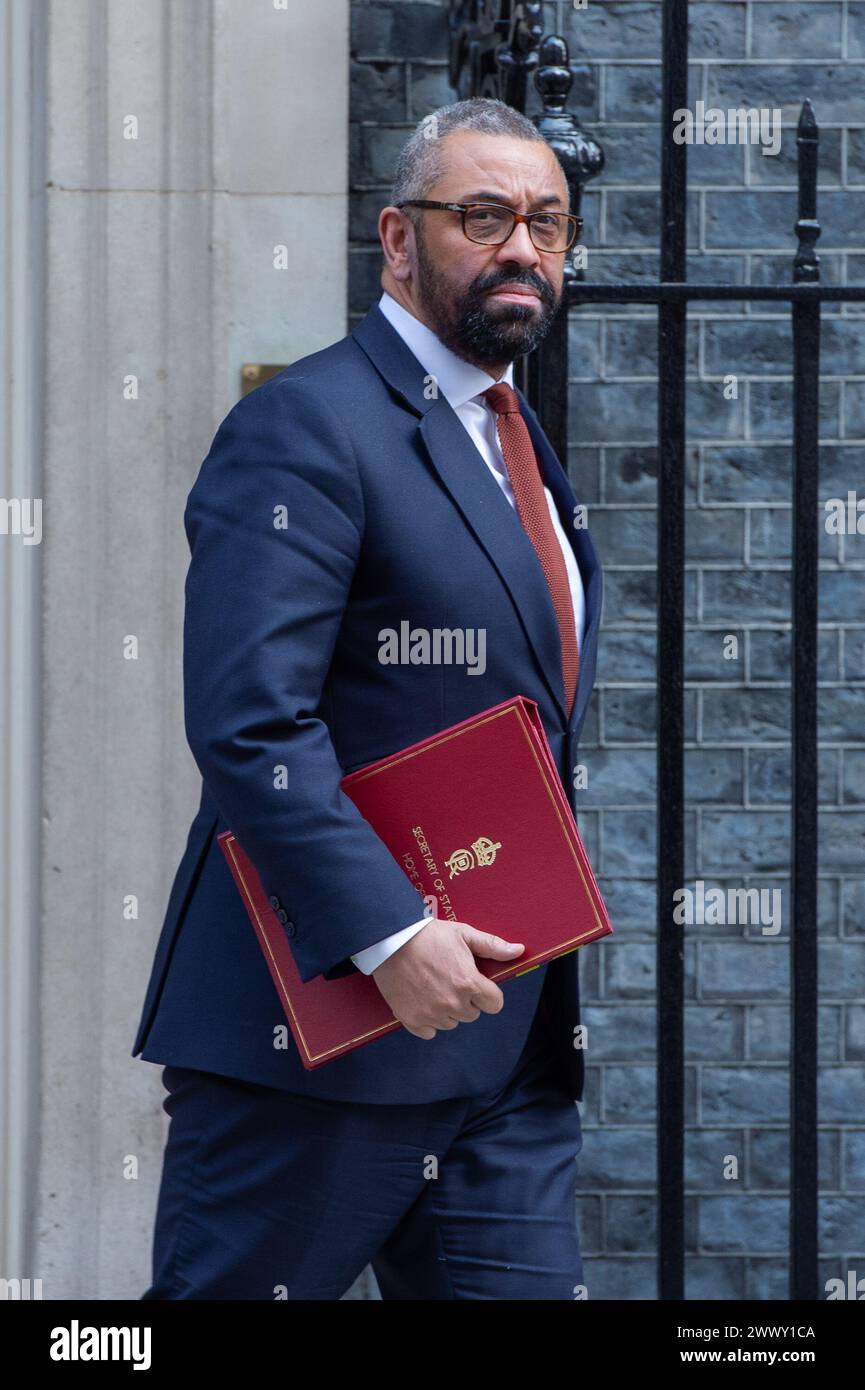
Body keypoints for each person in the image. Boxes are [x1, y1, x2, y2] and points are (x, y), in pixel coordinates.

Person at [133, 97, 603, 1300]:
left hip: (505, 1052)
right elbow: (251, 719)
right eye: (483, 215)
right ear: (397, 239)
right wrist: (389, 933)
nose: (522, 249)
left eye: (547, 222)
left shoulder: (516, 440)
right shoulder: (304, 429)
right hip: (322, 1040)